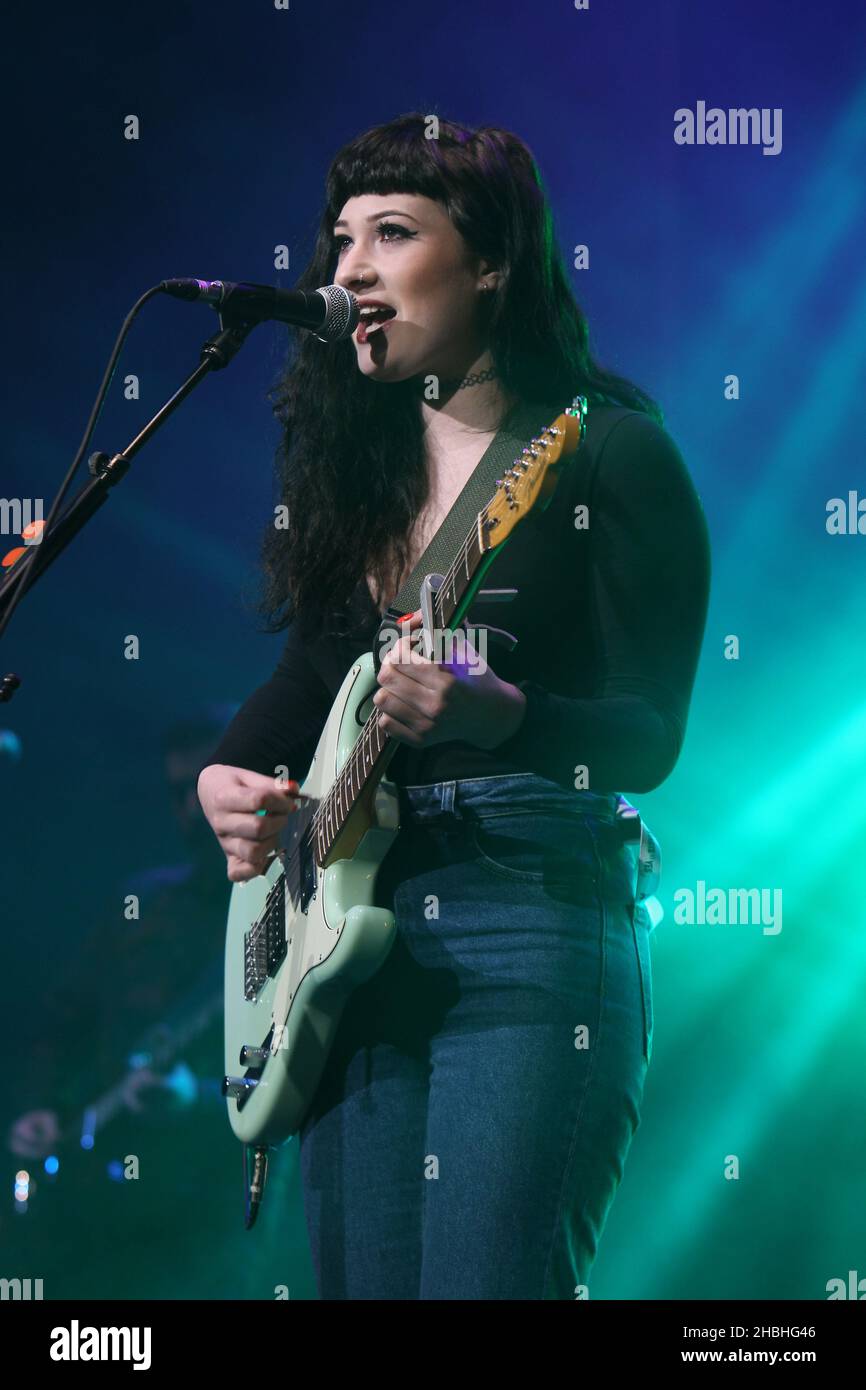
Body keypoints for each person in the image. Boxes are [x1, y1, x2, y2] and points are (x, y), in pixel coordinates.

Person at [196, 111, 711, 1300]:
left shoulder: (604, 453)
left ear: (489, 262)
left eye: (391, 233)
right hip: (343, 949)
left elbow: (650, 735)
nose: (350, 271)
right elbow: (308, 680)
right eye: (339, 242)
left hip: (526, 913)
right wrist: (235, 775)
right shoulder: (361, 475)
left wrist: (506, 716)